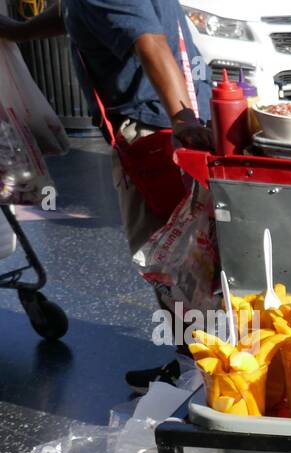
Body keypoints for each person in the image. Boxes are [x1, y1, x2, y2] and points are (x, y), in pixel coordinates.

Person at [0, 0, 212, 390]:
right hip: (166, 119)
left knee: (171, 263)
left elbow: (149, 42)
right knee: (184, 260)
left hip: (154, 131)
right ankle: (198, 366)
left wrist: (182, 121)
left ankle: (199, 375)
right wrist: (18, 31)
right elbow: (73, 12)